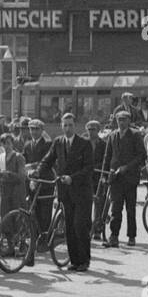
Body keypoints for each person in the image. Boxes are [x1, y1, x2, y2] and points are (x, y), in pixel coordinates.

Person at [43, 112, 94, 271]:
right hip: (65, 192)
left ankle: (84, 261)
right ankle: (74, 261)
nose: (67, 128)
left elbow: (88, 168)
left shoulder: (84, 144)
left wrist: (73, 178)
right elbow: (47, 160)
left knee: (80, 225)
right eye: (65, 125)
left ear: (75, 126)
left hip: (82, 192)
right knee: (70, 227)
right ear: (61, 126)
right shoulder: (58, 142)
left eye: (70, 125)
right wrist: (35, 172)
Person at [104, 108, 145, 247]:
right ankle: (114, 236)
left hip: (130, 178)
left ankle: (131, 237)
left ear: (129, 121)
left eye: (124, 119)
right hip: (115, 178)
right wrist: (106, 173)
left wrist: (127, 167)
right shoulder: (112, 135)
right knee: (116, 209)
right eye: (119, 120)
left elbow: (141, 155)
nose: (121, 122)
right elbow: (107, 156)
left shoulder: (135, 135)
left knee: (130, 209)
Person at [24, 118, 54, 237]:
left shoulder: (48, 144)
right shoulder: (27, 144)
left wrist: (33, 167)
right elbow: (23, 159)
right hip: (31, 181)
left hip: (45, 181)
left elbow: (47, 162)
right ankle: (33, 235)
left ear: (42, 130)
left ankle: (45, 236)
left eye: (37, 129)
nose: (34, 132)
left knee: (44, 211)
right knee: (32, 208)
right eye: (32, 129)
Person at [85, 119, 109, 243]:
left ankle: (98, 230)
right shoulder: (83, 143)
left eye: (93, 129)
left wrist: (100, 170)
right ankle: (88, 228)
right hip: (86, 177)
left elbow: (107, 160)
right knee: (86, 203)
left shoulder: (103, 145)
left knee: (99, 203)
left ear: (98, 130)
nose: (90, 132)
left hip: (99, 177)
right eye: (89, 129)